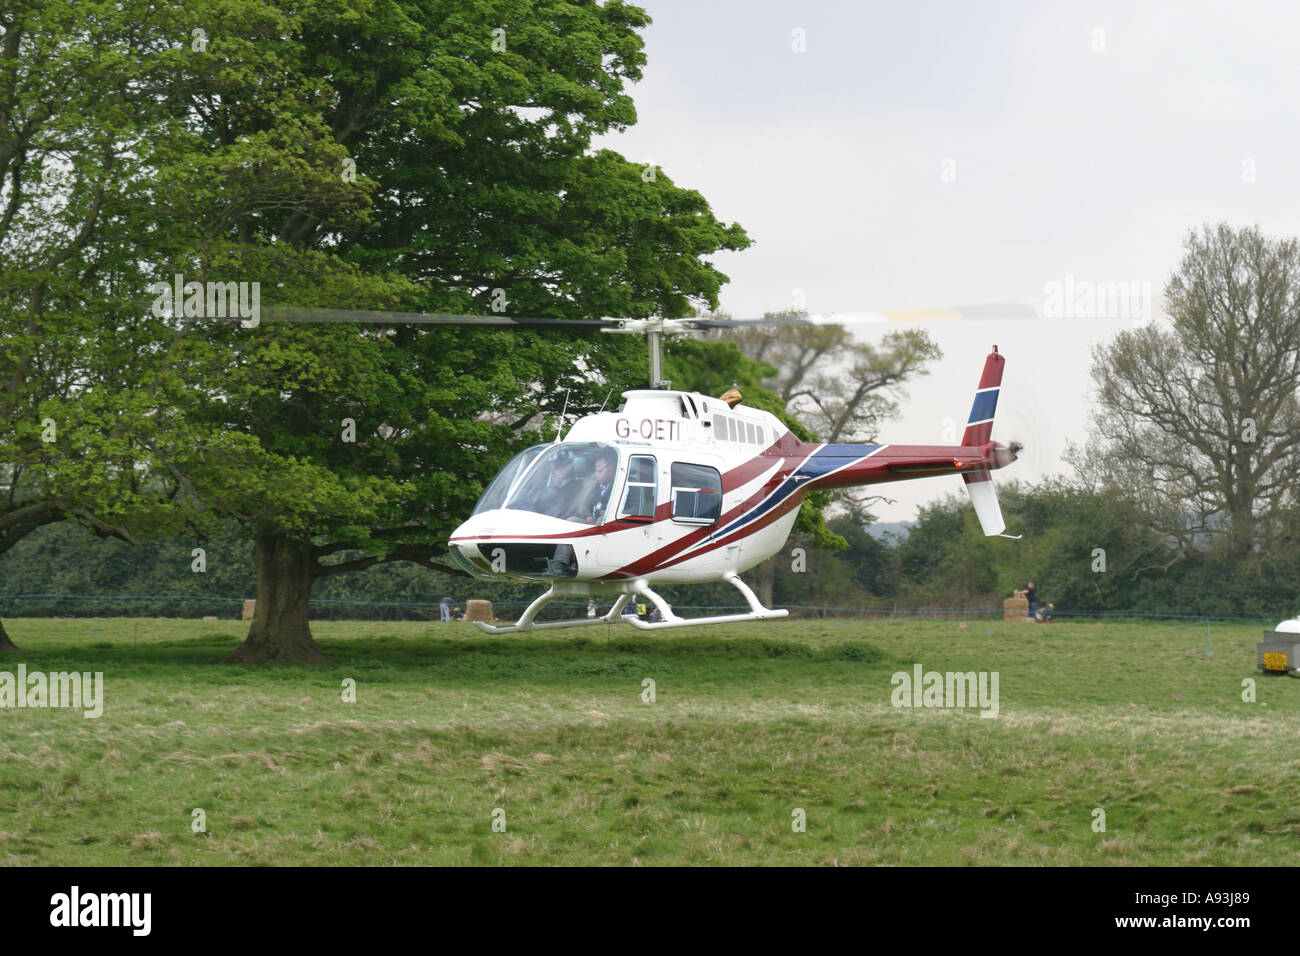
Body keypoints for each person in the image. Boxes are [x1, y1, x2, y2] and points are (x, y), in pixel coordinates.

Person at [568, 449, 618, 524]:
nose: (596, 475)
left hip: (612, 525)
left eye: (599, 471)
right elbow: (583, 504)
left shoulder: (623, 484)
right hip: (591, 522)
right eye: (595, 471)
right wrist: (587, 516)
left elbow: (635, 508)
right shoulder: (593, 484)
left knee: (601, 521)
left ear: (611, 471)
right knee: (572, 521)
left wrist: (612, 513)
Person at [531, 451, 579, 518]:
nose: (552, 472)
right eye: (551, 469)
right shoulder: (547, 490)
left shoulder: (576, 488)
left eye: (557, 469)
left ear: (568, 469)